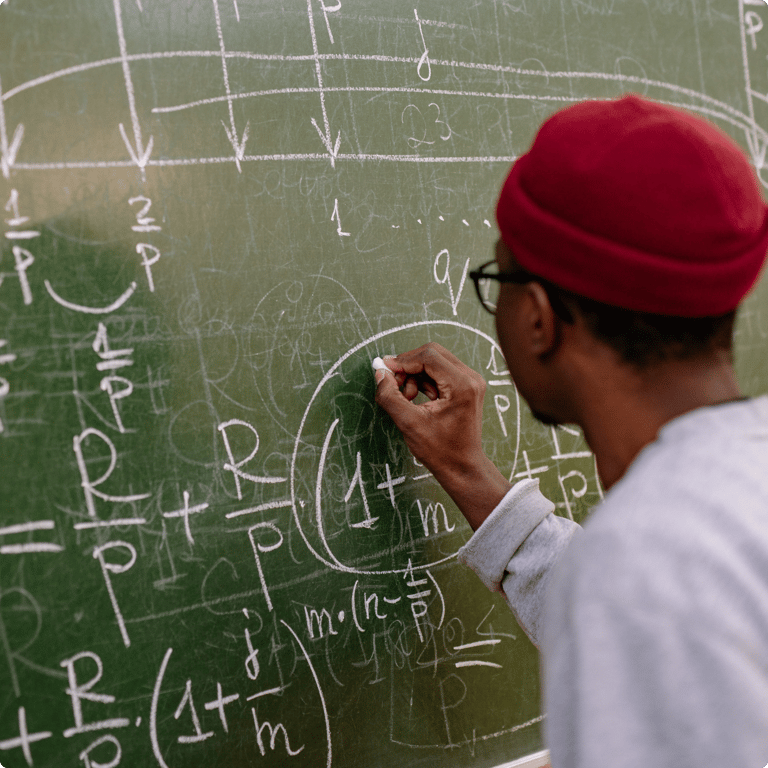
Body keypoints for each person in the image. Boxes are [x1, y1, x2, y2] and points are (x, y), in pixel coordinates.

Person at [373, 94, 768, 768]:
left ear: (538, 317)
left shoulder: (644, 564)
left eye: (498, 279)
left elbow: (639, 604)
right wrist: (469, 474)